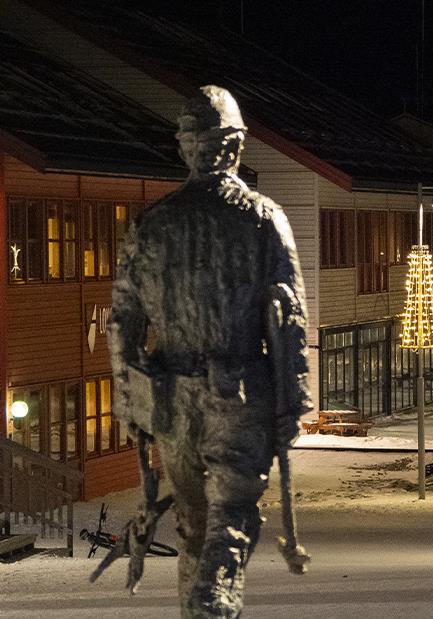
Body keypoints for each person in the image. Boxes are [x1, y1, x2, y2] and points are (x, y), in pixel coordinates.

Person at [108, 86, 311, 617]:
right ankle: (214, 594)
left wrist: (130, 401)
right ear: (236, 145)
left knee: (193, 523)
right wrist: (293, 402)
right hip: (238, 394)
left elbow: (122, 322)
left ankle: (198, 601)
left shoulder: (152, 223)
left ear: (185, 147)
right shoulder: (262, 217)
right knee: (232, 515)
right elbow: (288, 315)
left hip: (171, 401)